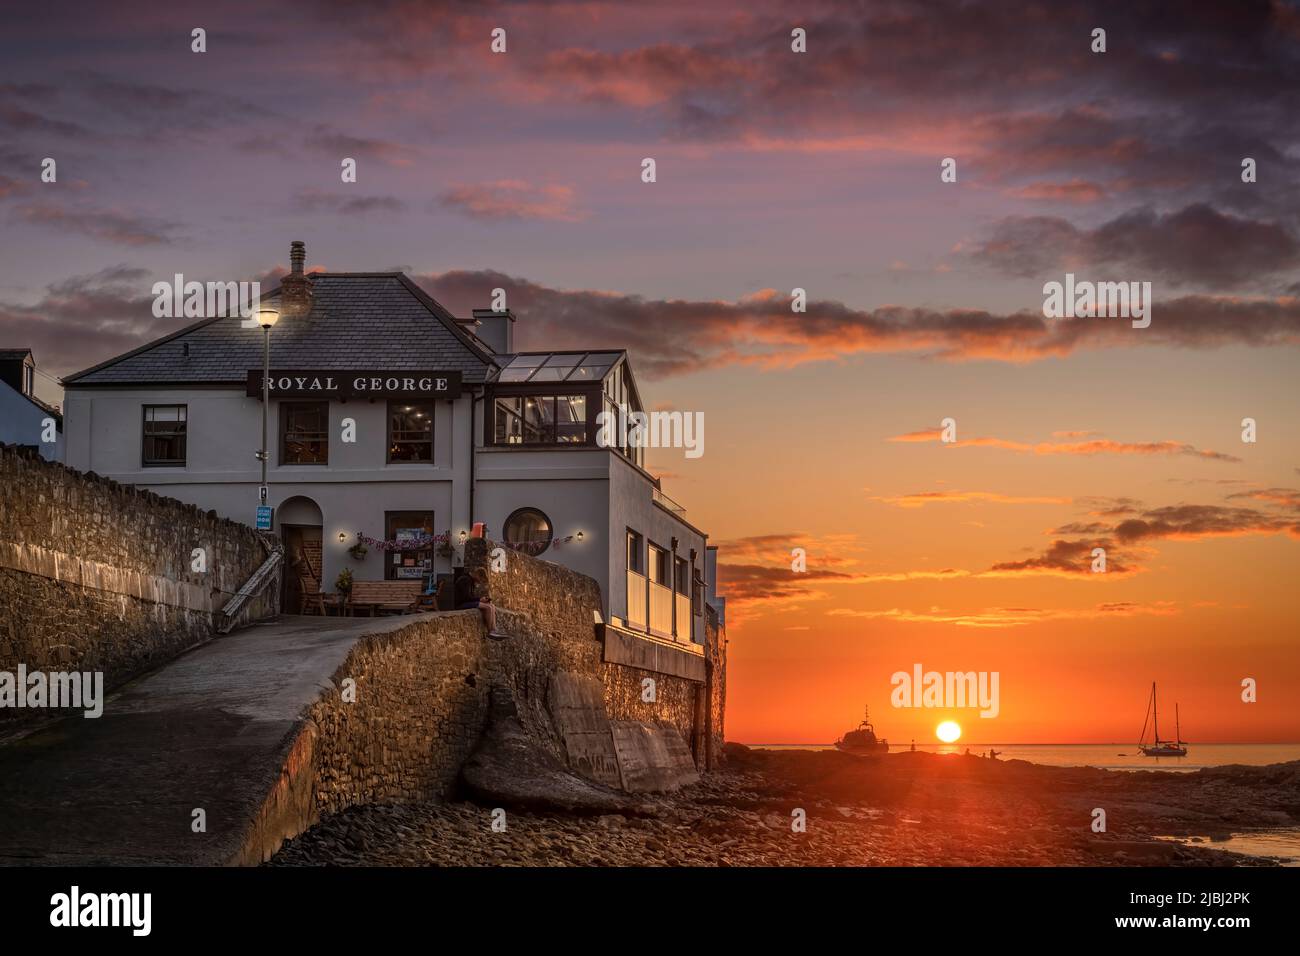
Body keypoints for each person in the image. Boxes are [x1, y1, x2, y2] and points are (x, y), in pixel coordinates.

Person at [456, 567, 506, 640]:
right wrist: (479, 599)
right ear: (478, 575)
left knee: (491, 606)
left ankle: (494, 629)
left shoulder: (470, 581)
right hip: (461, 604)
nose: (479, 582)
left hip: (465, 602)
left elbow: (470, 597)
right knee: (488, 608)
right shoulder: (465, 580)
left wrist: (481, 599)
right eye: (480, 579)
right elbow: (466, 598)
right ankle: (490, 631)